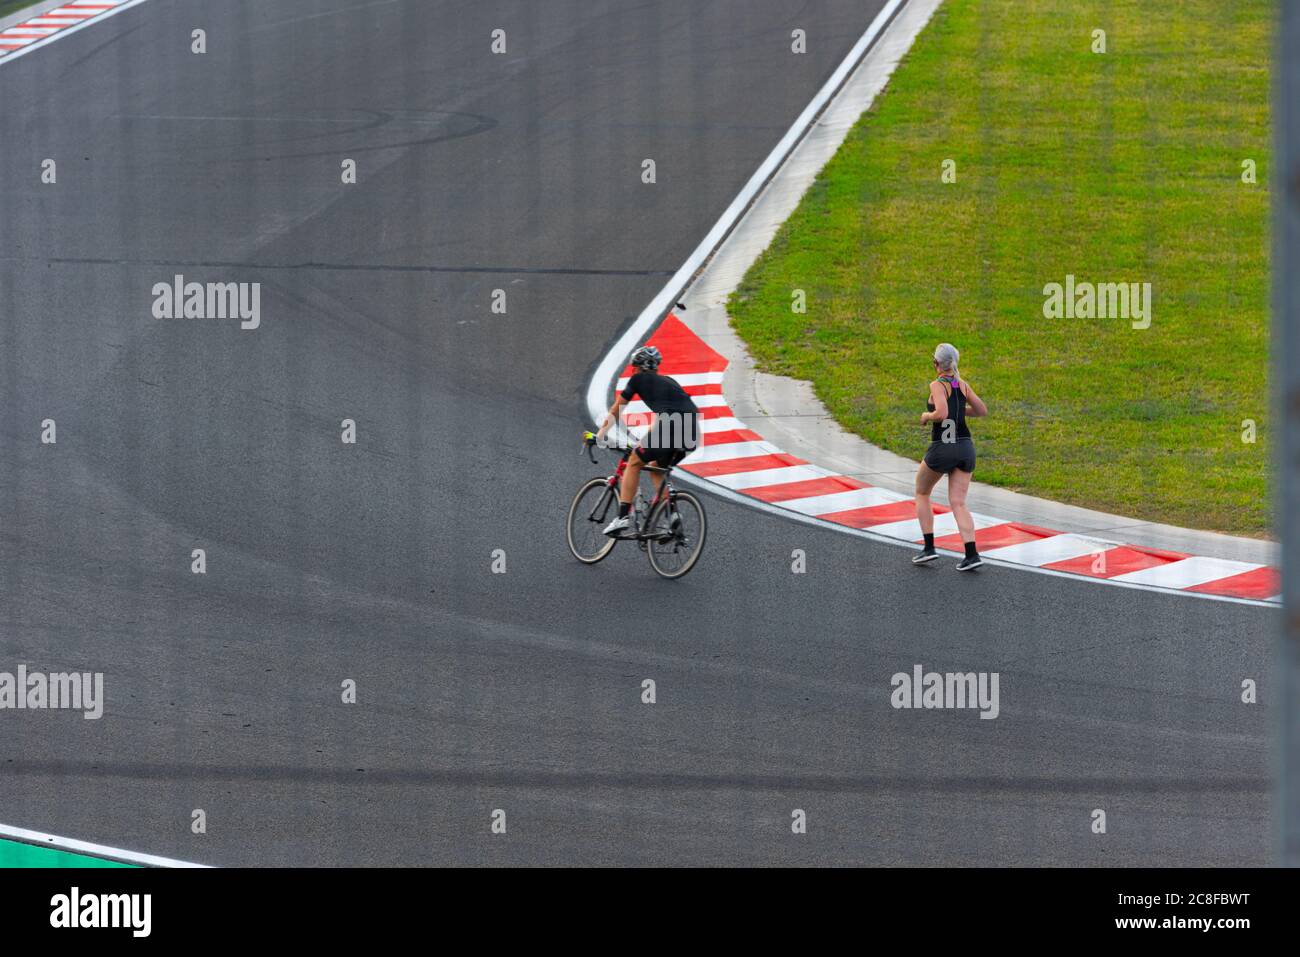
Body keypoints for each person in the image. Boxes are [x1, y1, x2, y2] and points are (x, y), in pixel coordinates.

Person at [594, 345, 701, 536]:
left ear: (636, 367)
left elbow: (616, 409)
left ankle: (622, 517)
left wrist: (600, 435)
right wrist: (644, 443)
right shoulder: (669, 381)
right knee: (655, 466)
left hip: (670, 426)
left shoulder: (637, 379)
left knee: (634, 462)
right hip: (692, 431)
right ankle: (672, 516)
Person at [913, 342, 988, 570]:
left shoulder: (937, 384)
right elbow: (981, 410)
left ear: (936, 363)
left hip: (943, 447)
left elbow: (942, 413)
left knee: (922, 491)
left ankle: (928, 548)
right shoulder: (962, 384)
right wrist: (959, 410)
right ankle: (971, 553)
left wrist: (927, 415)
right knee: (958, 502)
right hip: (966, 447)